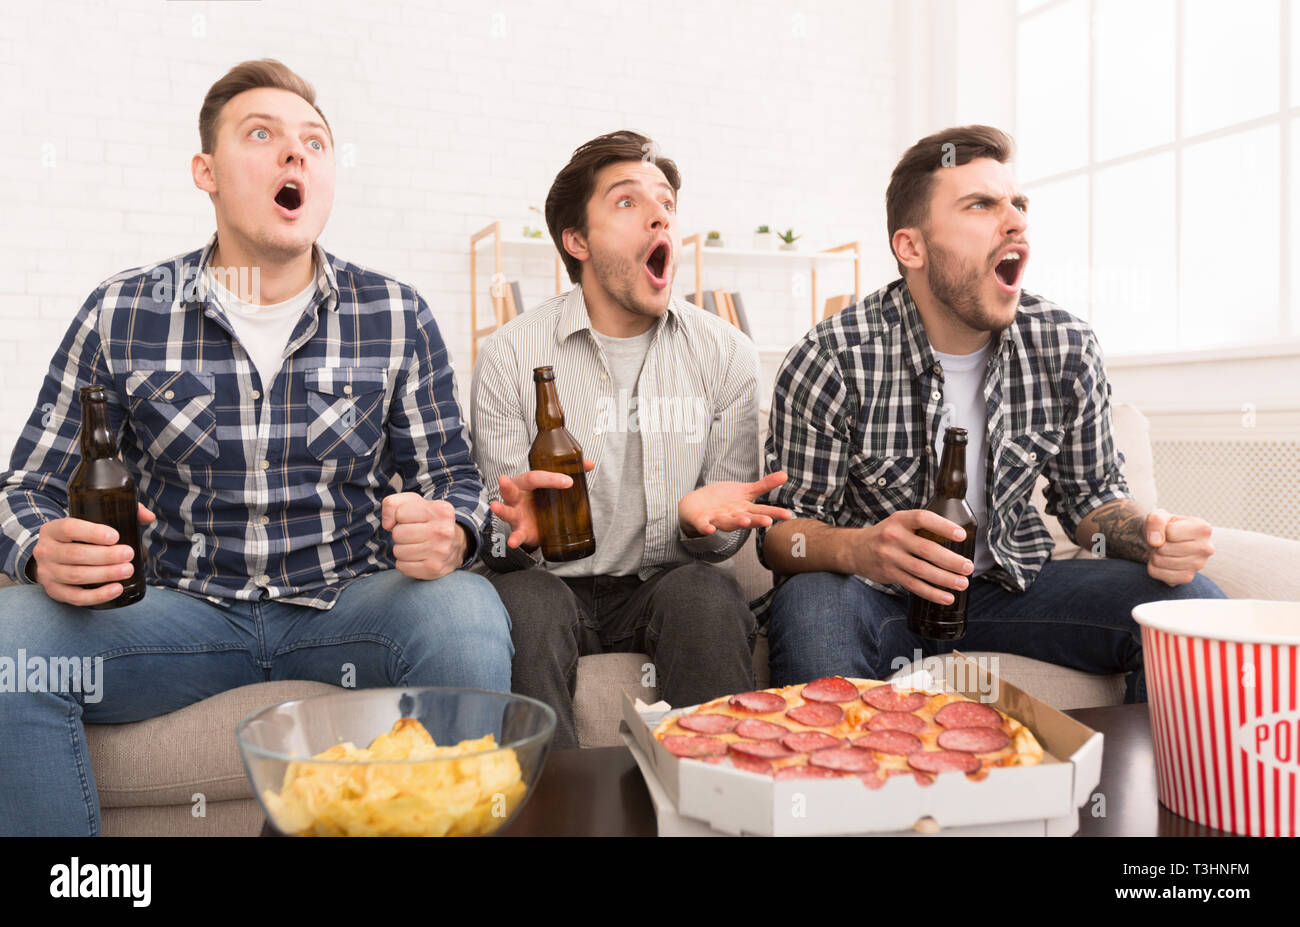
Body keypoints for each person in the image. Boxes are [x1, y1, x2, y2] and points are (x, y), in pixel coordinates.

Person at [0, 59, 512, 836]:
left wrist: (454, 530)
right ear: (205, 171)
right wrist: (42, 549)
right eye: (263, 135)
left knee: (465, 613)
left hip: (348, 607)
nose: (294, 154)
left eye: (314, 141)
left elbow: (456, 480)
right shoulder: (123, 312)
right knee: (10, 644)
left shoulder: (396, 313)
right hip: (181, 615)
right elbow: (25, 488)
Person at [757, 125, 1223, 702]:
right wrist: (860, 548)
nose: (1015, 220)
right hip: (876, 597)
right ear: (912, 248)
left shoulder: (1064, 345)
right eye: (980, 204)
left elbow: (1091, 498)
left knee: (1191, 604)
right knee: (809, 603)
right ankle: (841, 789)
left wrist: (1150, 533)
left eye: (1018, 204)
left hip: (1011, 588)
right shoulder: (831, 357)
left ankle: (1148, 789)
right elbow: (782, 534)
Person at [471, 130, 790, 748]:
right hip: (551, 586)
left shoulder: (727, 355)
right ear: (577, 241)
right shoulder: (511, 355)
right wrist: (516, 533)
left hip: (664, 585)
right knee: (525, 604)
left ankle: (717, 803)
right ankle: (553, 814)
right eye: (626, 202)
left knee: (707, 594)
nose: (657, 214)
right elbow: (503, 528)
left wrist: (701, 524)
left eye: (666, 202)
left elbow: (726, 538)